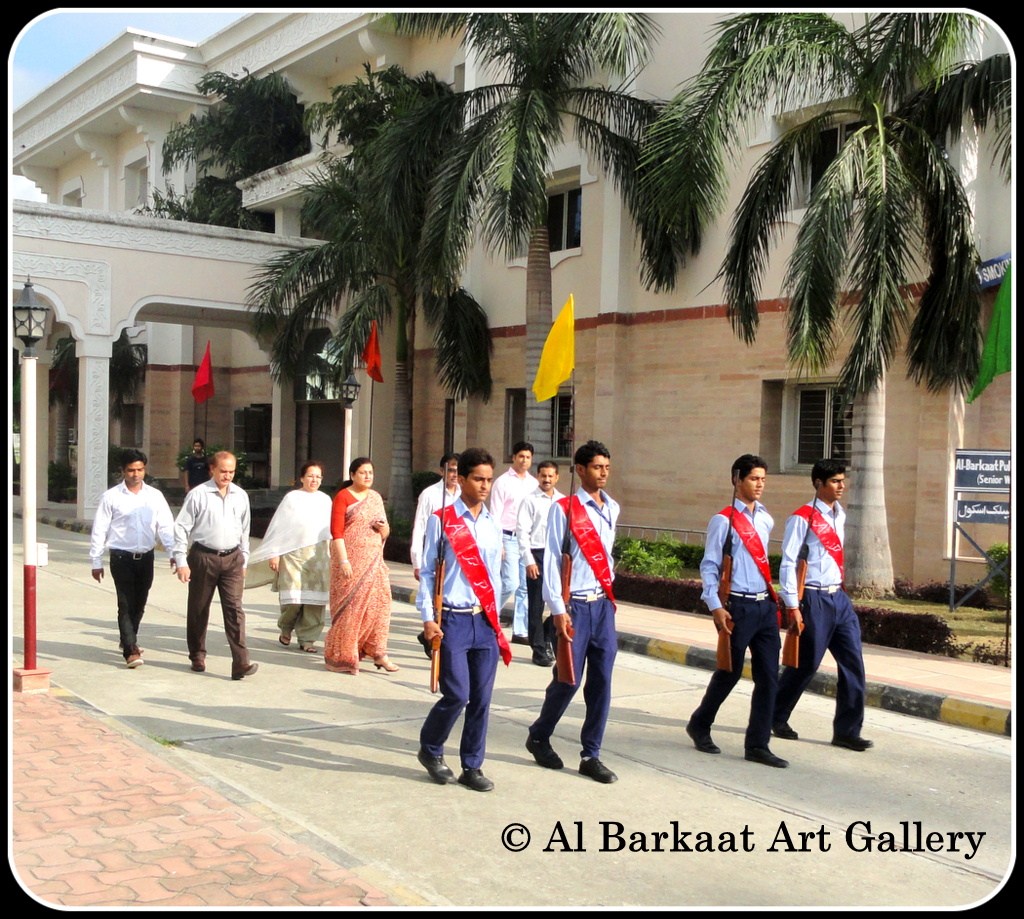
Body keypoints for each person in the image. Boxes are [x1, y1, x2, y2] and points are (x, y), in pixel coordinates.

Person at [416, 447, 511, 792]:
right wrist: (428, 619)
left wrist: (498, 618)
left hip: (483, 620)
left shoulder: (492, 524)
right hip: (452, 619)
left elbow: (497, 575)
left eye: (489, 479)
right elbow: (428, 572)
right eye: (478, 479)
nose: (484, 485)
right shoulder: (442, 519)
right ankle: (430, 748)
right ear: (461, 478)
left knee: (482, 698)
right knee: (456, 693)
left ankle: (472, 766)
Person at [526, 441, 620, 784]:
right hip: (574, 606)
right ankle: (539, 734)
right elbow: (551, 560)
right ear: (579, 470)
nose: (604, 473)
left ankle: (590, 754)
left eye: (607, 467)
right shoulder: (563, 509)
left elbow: (606, 557)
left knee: (602, 682)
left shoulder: (613, 508)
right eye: (597, 467)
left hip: (602, 606)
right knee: (568, 679)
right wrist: (558, 609)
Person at [686, 454, 787, 767]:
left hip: (764, 606)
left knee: (769, 677)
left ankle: (757, 745)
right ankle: (700, 724)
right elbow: (710, 565)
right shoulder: (724, 520)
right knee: (728, 673)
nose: (759, 485)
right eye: (753, 478)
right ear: (737, 480)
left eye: (763, 479)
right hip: (737, 607)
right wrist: (715, 606)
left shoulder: (766, 518)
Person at [773, 459, 873, 752]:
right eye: (835, 481)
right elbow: (789, 562)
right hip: (813, 598)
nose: (842, 486)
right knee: (805, 664)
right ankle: (776, 714)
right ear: (818, 483)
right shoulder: (802, 518)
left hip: (838, 598)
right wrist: (792, 604)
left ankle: (847, 731)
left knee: (853, 664)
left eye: (843, 480)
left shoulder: (840, 516)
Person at [173, 450, 257, 679]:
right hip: (203, 557)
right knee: (200, 608)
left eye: (231, 472)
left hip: (232, 559)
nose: (227, 476)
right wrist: (181, 560)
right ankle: (197, 654)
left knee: (235, 610)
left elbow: (245, 529)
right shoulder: (199, 495)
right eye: (223, 471)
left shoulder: (240, 496)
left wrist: (244, 559)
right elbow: (181, 527)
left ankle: (241, 662)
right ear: (212, 469)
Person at [89, 449, 175, 668]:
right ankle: (130, 649)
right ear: (123, 471)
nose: (136, 474)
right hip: (121, 557)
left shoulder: (154, 496)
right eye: (131, 470)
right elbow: (100, 529)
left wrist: (174, 553)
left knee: (140, 603)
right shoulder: (111, 497)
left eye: (140, 469)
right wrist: (96, 561)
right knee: (126, 603)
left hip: (146, 557)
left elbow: (165, 526)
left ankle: (128, 638)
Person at [247, 462, 332, 654]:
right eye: (310, 476)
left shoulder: (325, 500)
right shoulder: (292, 498)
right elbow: (279, 526)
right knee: (293, 597)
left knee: (314, 601)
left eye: (318, 476)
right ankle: (286, 627)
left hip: (318, 556)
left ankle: (307, 639)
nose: (314, 480)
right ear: (302, 478)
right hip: (293, 554)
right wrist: (275, 553)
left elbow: (332, 529)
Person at [323, 457, 394, 674]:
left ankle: (379, 651)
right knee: (351, 609)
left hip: (373, 562)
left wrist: (383, 530)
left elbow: (386, 531)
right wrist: (344, 561)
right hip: (349, 563)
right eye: (363, 472)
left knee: (382, 603)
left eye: (370, 472)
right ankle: (344, 655)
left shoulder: (375, 498)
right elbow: (336, 532)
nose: (368, 476)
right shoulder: (343, 497)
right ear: (352, 475)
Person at [488, 441, 538, 644]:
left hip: (526, 540)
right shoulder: (502, 482)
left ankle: (520, 631)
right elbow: (494, 514)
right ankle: (488, 615)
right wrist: (497, 542)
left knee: (524, 587)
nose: (524, 460)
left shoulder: (534, 483)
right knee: (510, 583)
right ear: (514, 457)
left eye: (527, 457)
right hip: (507, 537)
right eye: (521, 456)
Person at [516, 460, 565, 666]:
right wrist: (528, 561)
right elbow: (522, 532)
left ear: (557, 477)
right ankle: (538, 650)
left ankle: (546, 635)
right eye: (543, 475)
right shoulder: (530, 500)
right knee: (536, 604)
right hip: (536, 555)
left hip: (557, 557)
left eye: (550, 476)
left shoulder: (564, 501)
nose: (547, 479)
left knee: (562, 602)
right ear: (538, 476)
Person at [410, 453, 461, 581]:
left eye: (458, 471)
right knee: (431, 597)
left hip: (459, 557)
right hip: (434, 555)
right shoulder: (429, 494)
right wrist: (417, 563)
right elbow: (419, 528)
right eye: (451, 470)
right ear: (442, 471)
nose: (455, 474)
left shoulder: (464, 494)